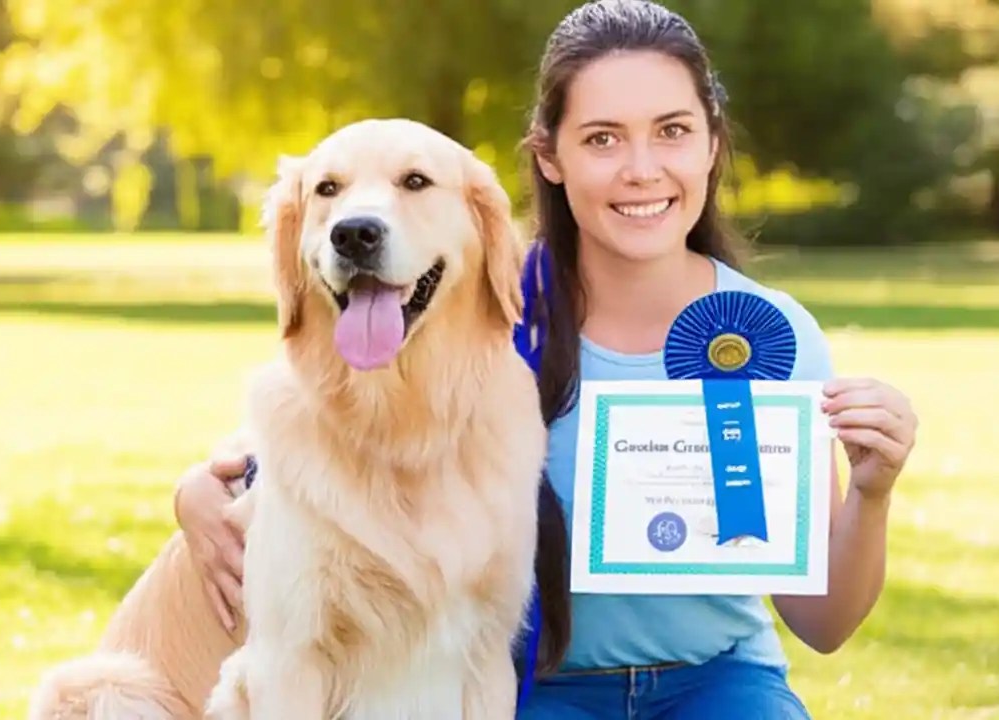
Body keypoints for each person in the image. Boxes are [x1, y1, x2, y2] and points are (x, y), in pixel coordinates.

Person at [174, 1, 919, 717]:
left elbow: (821, 623)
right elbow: (340, 422)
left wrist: (873, 493)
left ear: (712, 144)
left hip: (718, 680)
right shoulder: (476, 311)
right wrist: (207, 488)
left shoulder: (768, 336)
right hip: (542, 688)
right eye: (601, 138)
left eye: (672, 131)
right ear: (550, 157)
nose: (640, 169)